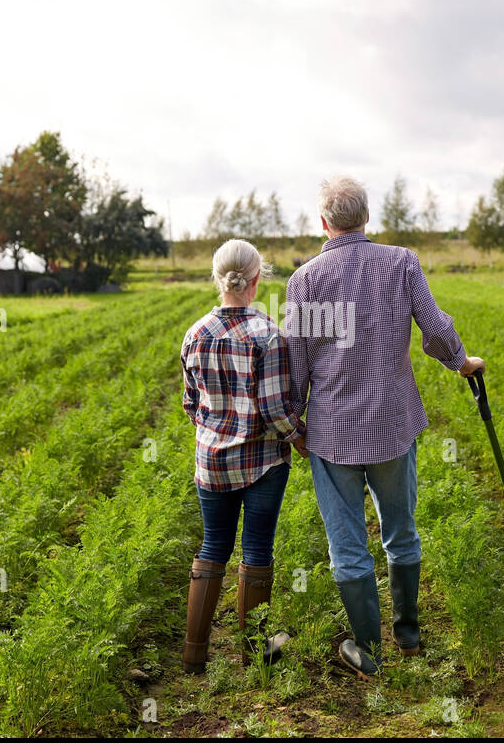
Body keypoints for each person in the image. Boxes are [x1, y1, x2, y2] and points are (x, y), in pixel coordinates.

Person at [284, 176, 484, 679]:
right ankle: (410, 635)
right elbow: (435, 329)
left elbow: (294, 363)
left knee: (347, 545)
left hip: (332, 432)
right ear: (367, 218)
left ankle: (367, 650)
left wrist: (294, 425)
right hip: (393, 424)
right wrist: (460, 363)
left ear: (324, 223)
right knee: (401, 530)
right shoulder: (401, 263)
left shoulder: (305, 279)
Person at [179, 238, 307, 673]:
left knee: (213, 544)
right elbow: (274, 410)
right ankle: (254, 654)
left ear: (218, 278)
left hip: (211, 462)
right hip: (262, 463)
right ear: (257, 280)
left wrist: (216, 429)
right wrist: (298, 437)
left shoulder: (195, 333)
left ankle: (194, 652)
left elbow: (191, 403)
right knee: (256, 549)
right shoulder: (268, 333)